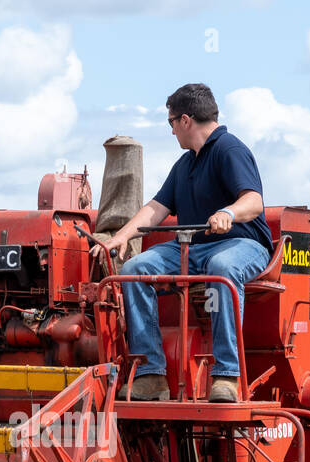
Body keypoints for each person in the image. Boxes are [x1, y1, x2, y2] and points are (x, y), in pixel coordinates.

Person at [93, 83, 273, 402]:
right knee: (136, 268)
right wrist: (120, 237)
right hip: (194, 247)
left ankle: (227, 377)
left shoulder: (229, 149)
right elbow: (155, 209)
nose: (172, 131)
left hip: (243, 244)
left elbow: (254, 201)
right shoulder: (186, 164)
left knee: (222, 268)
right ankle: (152, 376)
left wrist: (228, 212)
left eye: (171, 123)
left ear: (185, 121)